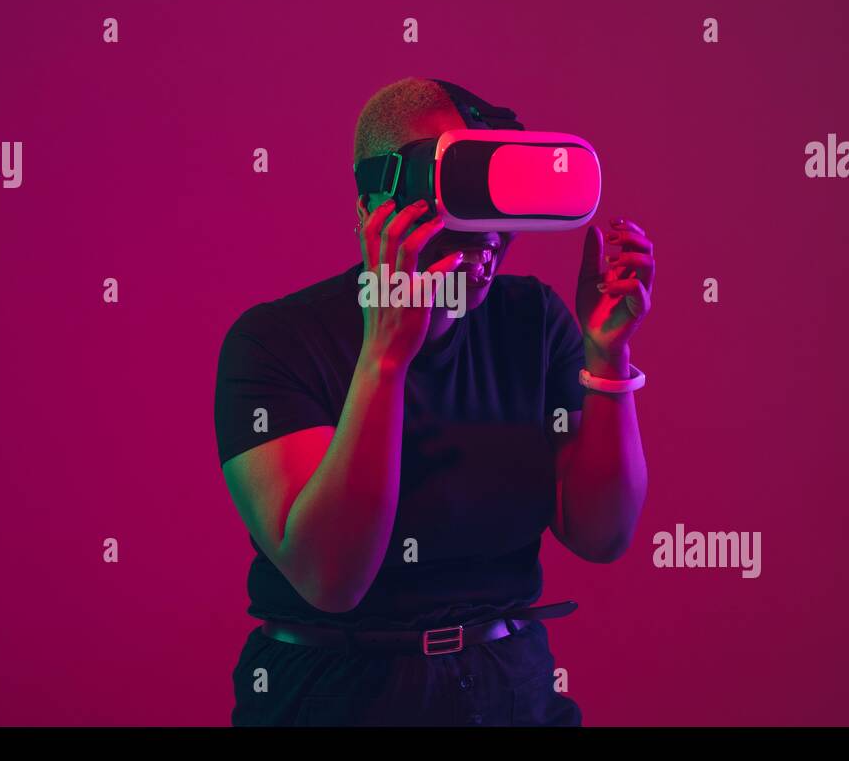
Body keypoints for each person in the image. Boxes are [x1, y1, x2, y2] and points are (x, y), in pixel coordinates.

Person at [213, 77, 654, 726]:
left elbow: (601, 534)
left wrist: (606, 357)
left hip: (508, 687)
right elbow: (331, 576)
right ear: (375, 208)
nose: (486, 240)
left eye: (497, 213)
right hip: (336, 696)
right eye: (459, 205)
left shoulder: (531, 320)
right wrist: (385, 355)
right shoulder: (275, 342)